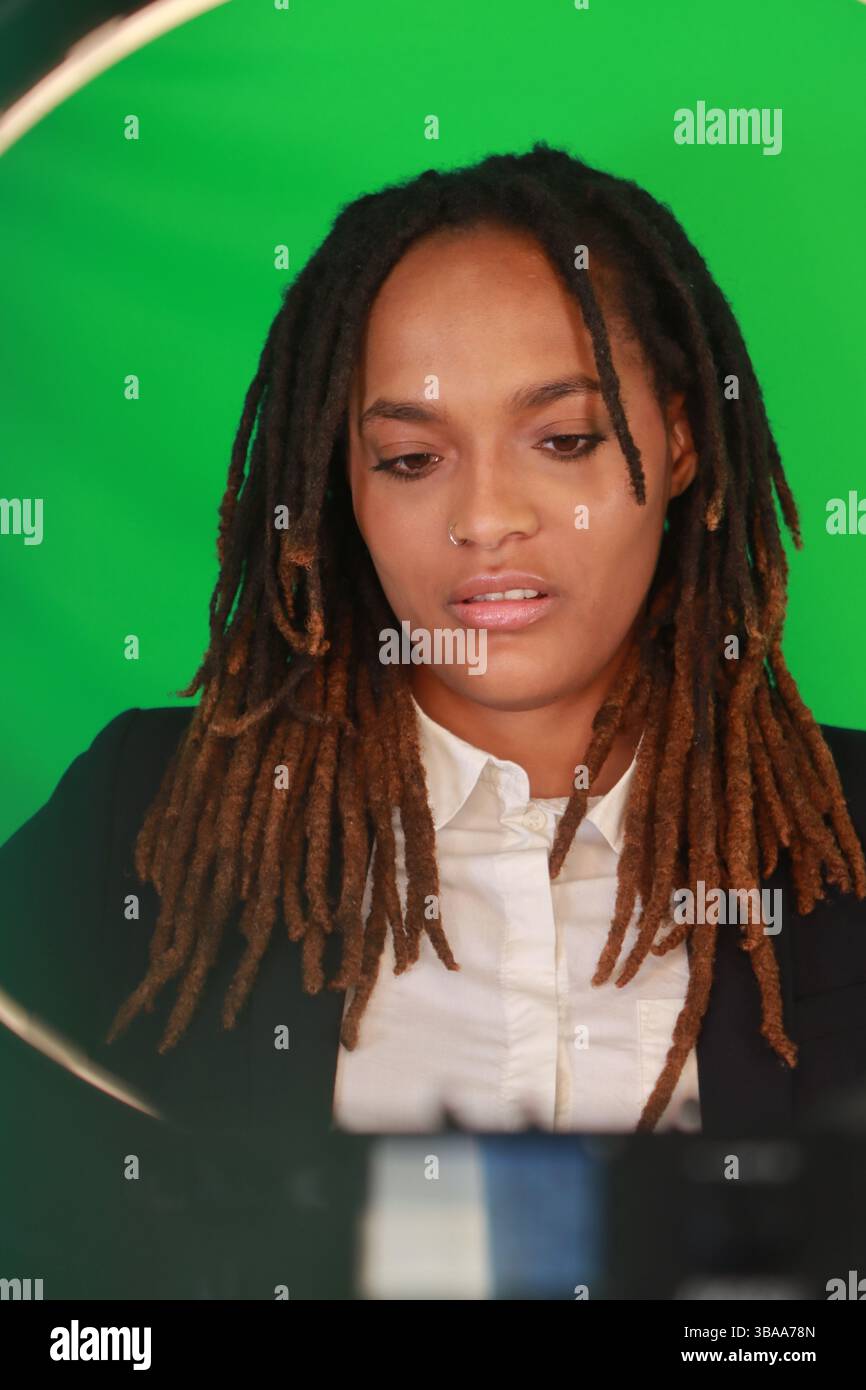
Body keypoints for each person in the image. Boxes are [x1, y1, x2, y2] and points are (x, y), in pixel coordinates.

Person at [3, 143, 866, 1156]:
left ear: (677, 444)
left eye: (565, 438)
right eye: (411, 458)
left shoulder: (846, 835)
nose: (484, 517)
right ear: (346, 485)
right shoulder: (144, 821)